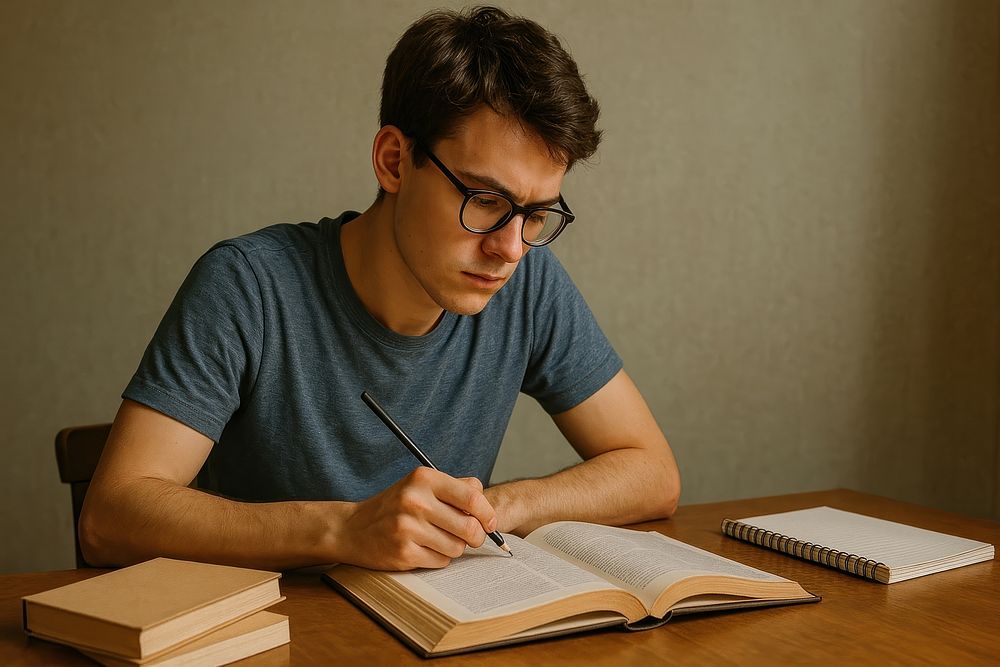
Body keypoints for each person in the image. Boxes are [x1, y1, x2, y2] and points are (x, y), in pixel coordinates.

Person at [79, 5, 680, 572]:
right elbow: (109, 519)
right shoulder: (248, 284)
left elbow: (653, 473)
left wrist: (498, 510)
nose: (510, 248)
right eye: (486, 200)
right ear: (394, 161)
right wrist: (342, 529)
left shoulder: (528, 283)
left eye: (536, 214)